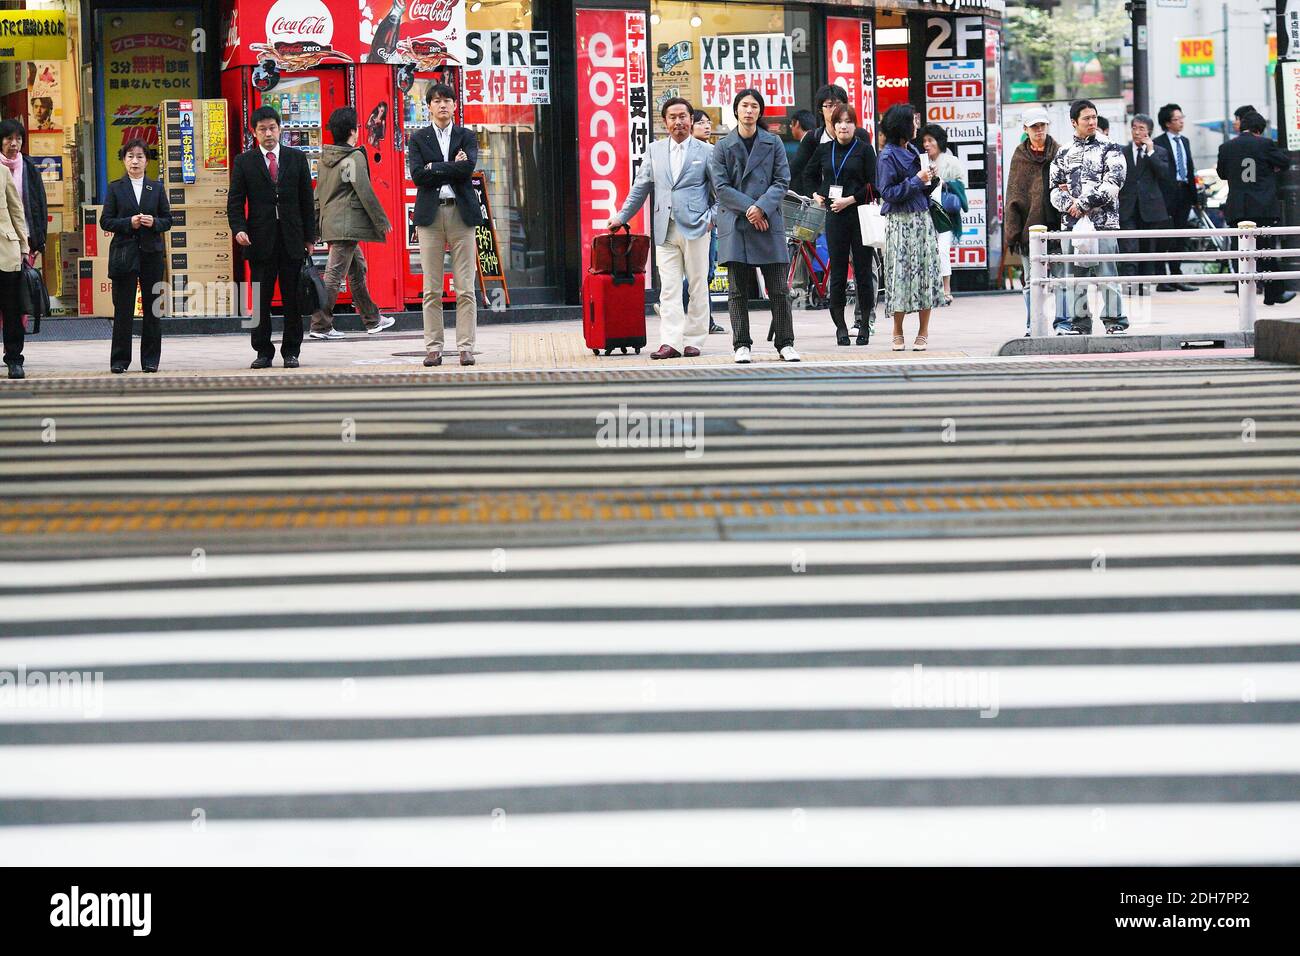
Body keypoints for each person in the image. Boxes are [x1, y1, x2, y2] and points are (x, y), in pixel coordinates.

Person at [608, 97, 715, 360]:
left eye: (683, 116)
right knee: (668, 287)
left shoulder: (707, 151)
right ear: (665, 122)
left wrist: (711, 219)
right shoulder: (654, 151)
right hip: (664, 228)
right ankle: (671, 341)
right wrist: (621, 217)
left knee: (698, 285)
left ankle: (694, 339)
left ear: (691, 119)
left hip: (697, 228)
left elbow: (720, 192)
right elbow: (640, 187)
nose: (678, 122)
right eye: (672, 117)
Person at [709, 87, 799, 364]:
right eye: (744, 106)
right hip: (737, 222)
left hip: (767, 220)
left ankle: (785, 343)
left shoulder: (773, 143)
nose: (749, 111)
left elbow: (782, 181)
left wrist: (761, 208)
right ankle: (741, 344)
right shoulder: (723, 146)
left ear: (760, 112)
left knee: (779, 288)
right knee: (737, 291)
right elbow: (720, 186)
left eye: (754, 107)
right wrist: (750, 208)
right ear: (736, 110)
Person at [228, 105, 316, 368]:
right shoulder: (245, 162)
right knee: (260, 300)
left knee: (292, 299)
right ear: (255, 133)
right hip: (259, 241)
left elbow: (306, 201)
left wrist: (310, 238)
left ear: (280, 129)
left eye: (272, 127)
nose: (269, 133)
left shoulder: (296, 158)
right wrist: (239, 229)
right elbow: (235, 201)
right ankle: (262, 351)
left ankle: (292, 351)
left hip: (292, 240)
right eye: (263, 129)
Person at [408, 81, 482, 367]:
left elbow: (467, 169)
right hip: (430, 215)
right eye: (436, 101)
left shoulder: (466, 136)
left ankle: (466, 347)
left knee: (465, 286)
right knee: (432, 288)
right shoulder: (419, 138)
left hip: (461, 214)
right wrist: (451, 166)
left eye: (447, 100)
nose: (442, 105)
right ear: (429, 107)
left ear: (454, 105)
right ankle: (434, 347)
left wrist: (434, 168)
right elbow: (417, 175)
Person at [309, 107, 396, 340]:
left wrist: (316, 226)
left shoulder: (326, 158)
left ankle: (372, 319)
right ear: (352, 131)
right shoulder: (352, 157)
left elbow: (318, 195)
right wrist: (381, 220)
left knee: (358, 269)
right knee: (334, 275)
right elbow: (364, 190)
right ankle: (320, 325)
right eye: (357, 127)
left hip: (332, 224)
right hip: (345, 227)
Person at [1049, 98, 1128, 335]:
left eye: (1094, 117)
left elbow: (1115, 181)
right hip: (1071, 224)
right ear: (1074, 122)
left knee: (1107, 274)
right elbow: (1053, 188)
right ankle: (1079, 323)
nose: (1092, 121)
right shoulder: (1063, 152)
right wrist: (1070, 207)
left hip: (1104, 223)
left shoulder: (1111, 147)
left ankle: (1115, 321)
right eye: (1086, 118)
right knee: (1075, 277)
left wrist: (1082, 203)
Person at [100, 139, 172, 373]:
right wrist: (129, 223)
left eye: (140, 156)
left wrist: (154, 223)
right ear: (123, 160)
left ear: (147, 161)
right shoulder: (115, 188)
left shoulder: (157, 188)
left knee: (153, 309)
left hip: (151, 253)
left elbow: (168, 220)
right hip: (124, 253)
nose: (135, 161)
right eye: (130, 156)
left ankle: (150, 360)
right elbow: (106, 221)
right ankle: (120, 361)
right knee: (123, 308)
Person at [876, 104, 943, 351]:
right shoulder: (887, 155)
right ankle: (897, 331)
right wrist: (917, 180)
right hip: (900, 223)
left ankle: (923, 331)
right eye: (913, 121)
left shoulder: (913, 149)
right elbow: (888, 192)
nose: (917, 125)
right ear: (901, 126)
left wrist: (931, 179)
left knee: (926, 274)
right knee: (899, 276)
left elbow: (924, 187)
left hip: (922, 219)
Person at [811, 103, 877, 346]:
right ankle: (840, 325)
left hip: (859, 216)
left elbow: (874, 185)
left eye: (849, 121)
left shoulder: (865, 150)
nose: (844, 126)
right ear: (832, 124)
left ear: (855, 124)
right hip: (835, 218)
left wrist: (849, 200)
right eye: (839, 121)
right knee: (837, 273)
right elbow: (808, 175)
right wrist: (817, 194)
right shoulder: (824, 150)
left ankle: (865, 327)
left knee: (863, 273)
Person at [1218, 110, 1295, 306]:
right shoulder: (1265, 144)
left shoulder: (1226, 147)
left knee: (1240, 253)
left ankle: (1242, 294)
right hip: (1262, 208)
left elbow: (1221, 173)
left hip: (1237, 207)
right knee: (1266, 251)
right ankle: (1273, 293)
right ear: (1259, 130)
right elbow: (1284, 163)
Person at [1004, 106, 1064, 334]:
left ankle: (1063, 324)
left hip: (1057, 228)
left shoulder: (1060, 152)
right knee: (1031, 283)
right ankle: (1032, 325)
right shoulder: (1019, 157)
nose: (1039, 131)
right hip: (1029, 231)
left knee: (1060, 279)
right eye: (1034, 127)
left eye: (1042, 126)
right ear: (1025, 129)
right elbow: (1014, 196)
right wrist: (1013, 231)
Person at [1117, 114, 1171, 296]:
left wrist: (1150, 152)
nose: (1137, 132)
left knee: (1148, 249)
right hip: (1127, 207)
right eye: (1134, 128)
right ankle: (1128, 287)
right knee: (1129, 248)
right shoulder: (1121, 152)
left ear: (1149, 131)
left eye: (1141, 128)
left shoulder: (1159, 151)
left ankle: (1144, 288)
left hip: (1151, 208)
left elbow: (1164, 174)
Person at [1154, 104, 1199, 291]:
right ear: (1167, 123)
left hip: (1184, 194)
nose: (1181, 121)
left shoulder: (1185, 141)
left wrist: (1195, 198)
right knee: (1164, 237)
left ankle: (1176, 275)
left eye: (1182, 117)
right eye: (1176, 119)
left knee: (1180, 236)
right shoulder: (1158, 142)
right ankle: (1162, 279)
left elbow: (1189, 169)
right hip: (1166, 196)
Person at [920, 123, 966, 306]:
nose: (926, 144)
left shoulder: (951, 162)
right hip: (924, 213)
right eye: (924, 140)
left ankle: (946, 289)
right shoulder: (921, 161)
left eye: (930, 140)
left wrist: (944, 182)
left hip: (945, 214)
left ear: (939, 142)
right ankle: (931, 290)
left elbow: (961, 186)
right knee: (927, 253)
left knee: (943, 251)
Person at [687, 109, 724, 335]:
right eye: (701, 123)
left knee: (707, 272)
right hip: (692, 222)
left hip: (709, 222)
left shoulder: (712, 151)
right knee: (697, 273)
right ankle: (683, 306)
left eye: (708, 122)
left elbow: (720, 190)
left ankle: (705, 319)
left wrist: (713, 218)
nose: (706, 126)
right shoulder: (687, 153)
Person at [790, 84, 853, 199]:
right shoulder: (813, 138)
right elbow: (796, 171)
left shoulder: (859, 136)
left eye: (838, 105)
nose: (834, 109)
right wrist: (813, 194)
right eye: (829, 105)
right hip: (822, 205)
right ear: (820, 109)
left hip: (852, 203)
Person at [0, 121, 46, 270]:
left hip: (25, 235)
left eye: (18, 139)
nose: (14, 143)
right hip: (2, 236)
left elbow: (39, 204)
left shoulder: (29, 167)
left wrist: (40, 240)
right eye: (8, 138)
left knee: (22, 282)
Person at [0, 157, 28, 379]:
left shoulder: (2, 172)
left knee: (11, 310)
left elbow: (16, 210)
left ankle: (14, 359)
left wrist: (24, 246)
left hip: (5, 251)